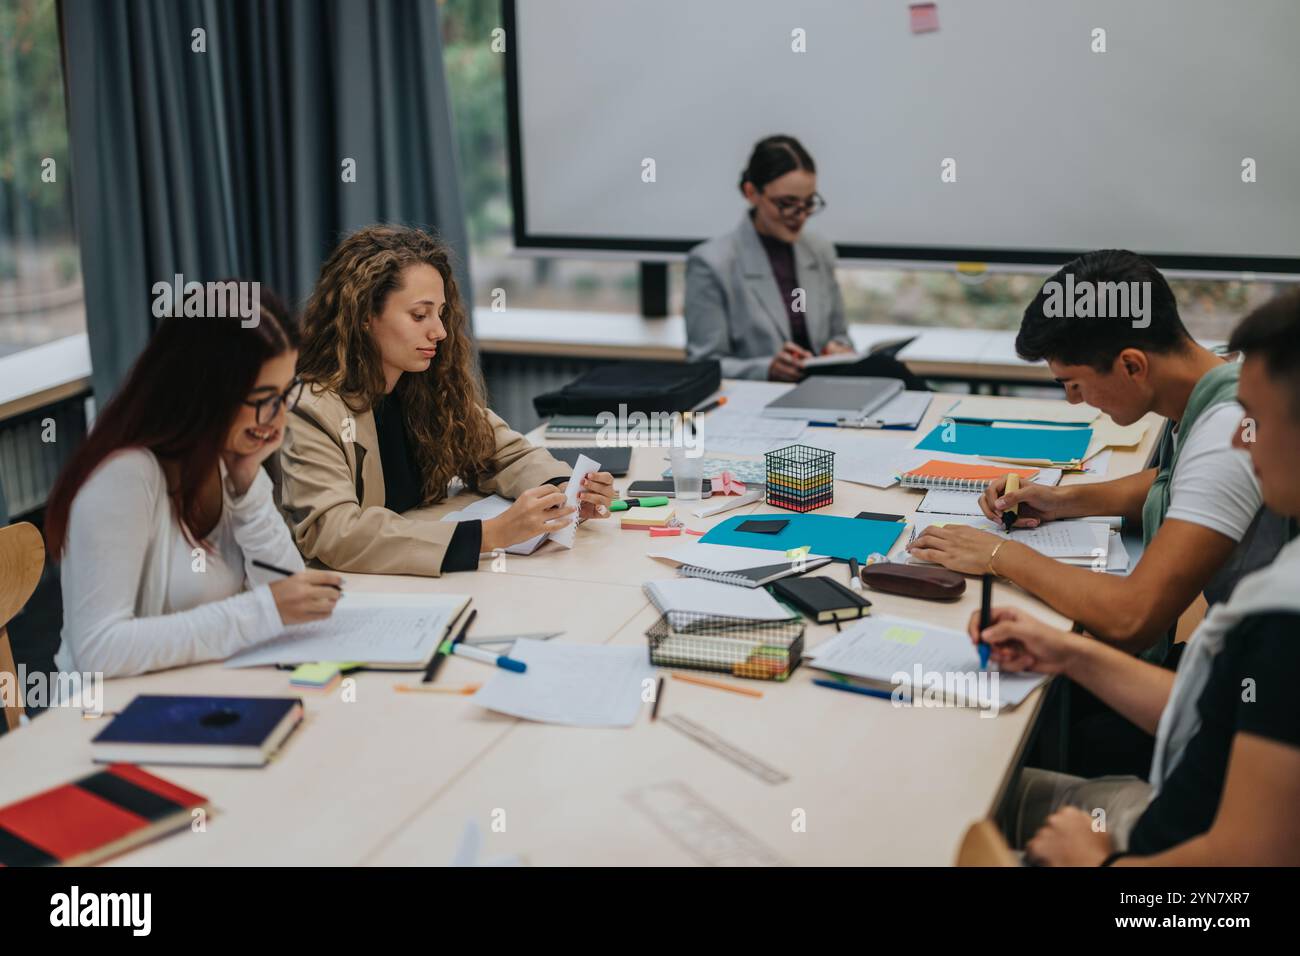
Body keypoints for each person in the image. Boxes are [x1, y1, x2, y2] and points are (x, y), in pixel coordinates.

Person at [972, 289, 1300, 866]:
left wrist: (1101, 864)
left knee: (968, 799)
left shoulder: (1283, 622)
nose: (1237, 439)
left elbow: (1247, 868)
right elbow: (1218, 709)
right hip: (1189, 794)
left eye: (1253, 421)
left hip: (1162, 849)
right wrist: (1067, 651)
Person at [911, 250, 1286, 665]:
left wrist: (999, 555)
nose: (1074, 401)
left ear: (1131, 366)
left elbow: (1131, 616)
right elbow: (1185, 477)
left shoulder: (1228, 430)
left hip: (1251, 678)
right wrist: (1060, 500)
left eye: (1074, 384)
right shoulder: (1219, 370)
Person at [279, 225, 615, 576]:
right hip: (353, 590)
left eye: (440, 313)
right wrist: (489, 534)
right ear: (364, 316)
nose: (439, 331)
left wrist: (565, 493)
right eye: (419, 315)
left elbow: (503, 455)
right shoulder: (311, 409)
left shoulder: (424, 384)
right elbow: (337, 533)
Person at [45, 292, 342, 679]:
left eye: (285, 395)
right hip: (106, 708)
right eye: (265, 399)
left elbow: (292, 600)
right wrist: (261, 612)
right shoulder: (124, 476)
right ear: (206, 393)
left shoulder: (223, 459)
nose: (278, 417)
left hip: (195, 689)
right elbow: (99, 650)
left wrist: (248, 483)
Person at [685, 135, 921, 386]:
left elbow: (839, 335)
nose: (800, 216)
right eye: (787, 203)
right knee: (891, 372)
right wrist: (767, 369)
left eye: (808, 203)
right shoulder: (712, 262)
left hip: (823, 388)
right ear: (751, 192)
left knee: (889, 371)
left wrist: (837, 349)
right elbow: (704, 364)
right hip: (762, 396)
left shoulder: (819, 250)